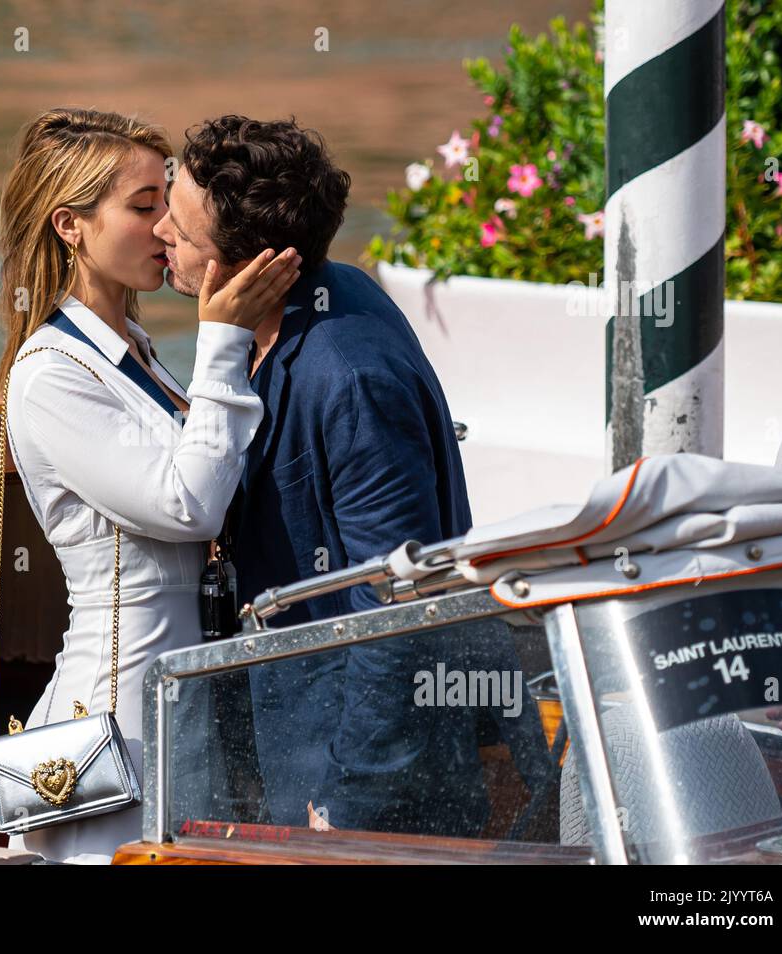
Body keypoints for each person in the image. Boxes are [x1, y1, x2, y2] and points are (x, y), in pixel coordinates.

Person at [154, 114, 549, 835]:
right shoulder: (305, 303)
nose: (160, 237)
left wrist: (346, 802)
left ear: (250, 265)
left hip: (364, 784)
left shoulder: (349, 376)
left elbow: (396, 608)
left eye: (180, 234)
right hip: (290, 745)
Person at [0, 107, 300, 863]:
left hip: (180, 689)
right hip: (115, 723)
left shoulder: (137, 353)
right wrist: (225, 341)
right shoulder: (50, 374)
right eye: (142, 206)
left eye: (167, 199)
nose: (168, 225)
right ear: (71, 226)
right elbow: (188, 505)